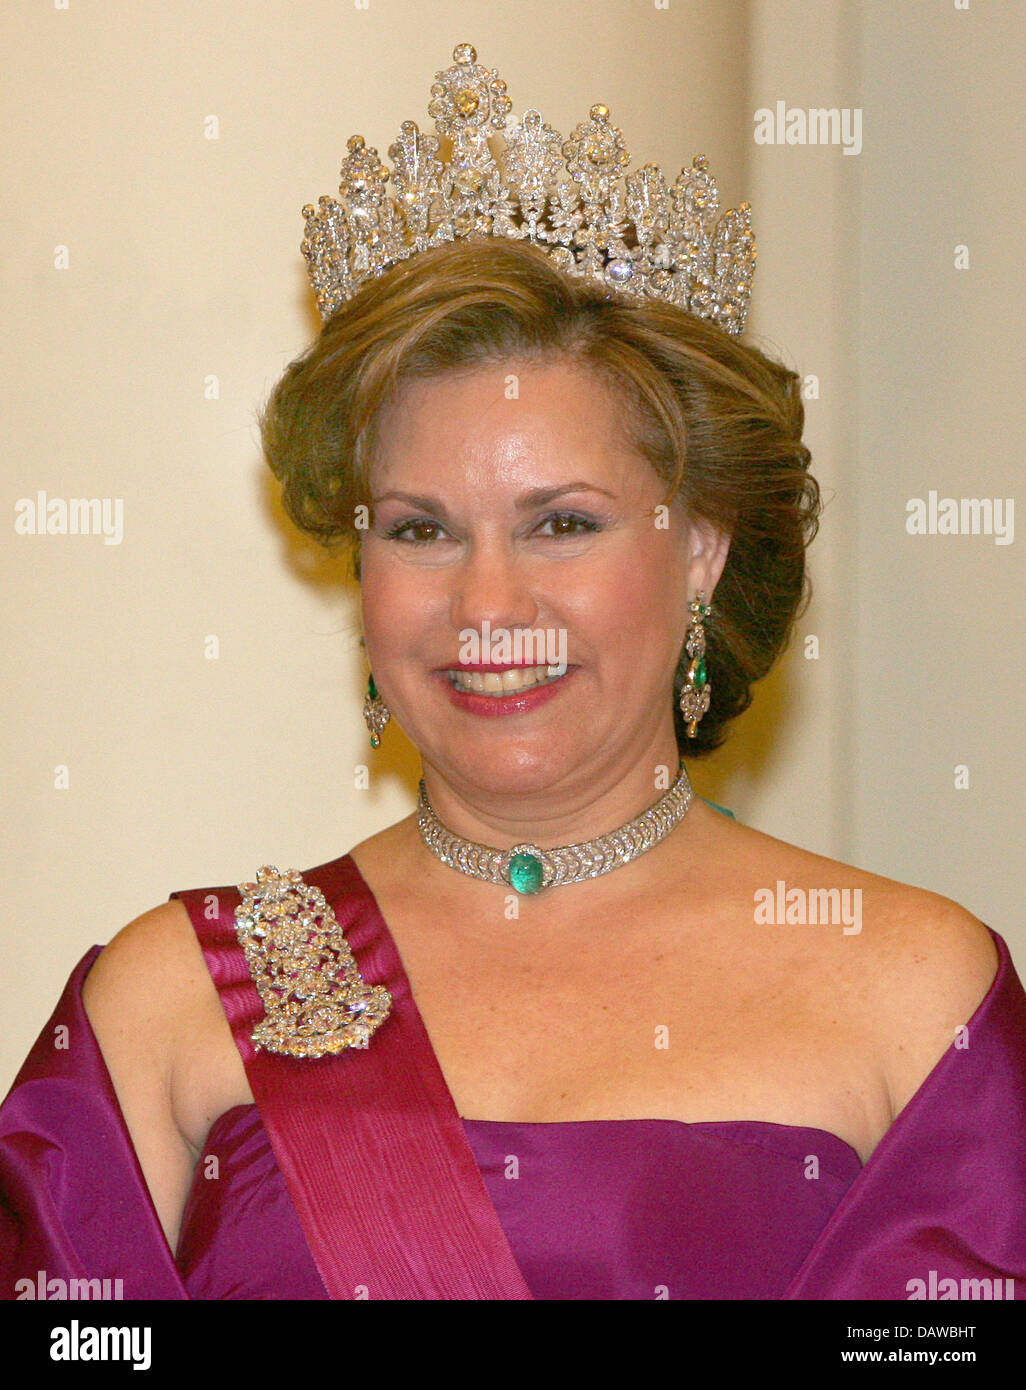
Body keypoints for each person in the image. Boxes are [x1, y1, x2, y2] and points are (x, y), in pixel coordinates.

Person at [2, 42, 1024, 1303]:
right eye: (420, 530)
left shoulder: (914, 989)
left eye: (564, 523)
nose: (488, 605)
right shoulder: (174, 996)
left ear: (699, 550)